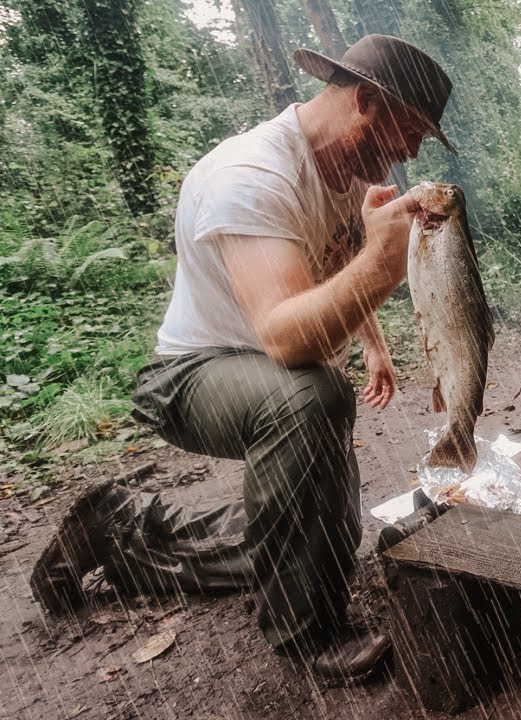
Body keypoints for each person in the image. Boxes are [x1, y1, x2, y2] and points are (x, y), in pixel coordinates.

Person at [28, 34, 455, 685]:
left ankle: (122, 532)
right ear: (365, 100)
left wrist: (374, 342)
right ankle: (306, 635)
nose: (412, 152)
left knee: (325, 545)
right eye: (411, 131)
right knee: (312, 397)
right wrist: (382, 265)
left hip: (278, 375)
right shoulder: (252, 174)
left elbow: (334, 267)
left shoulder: (345, 172)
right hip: (193, 374)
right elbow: (286, 337)